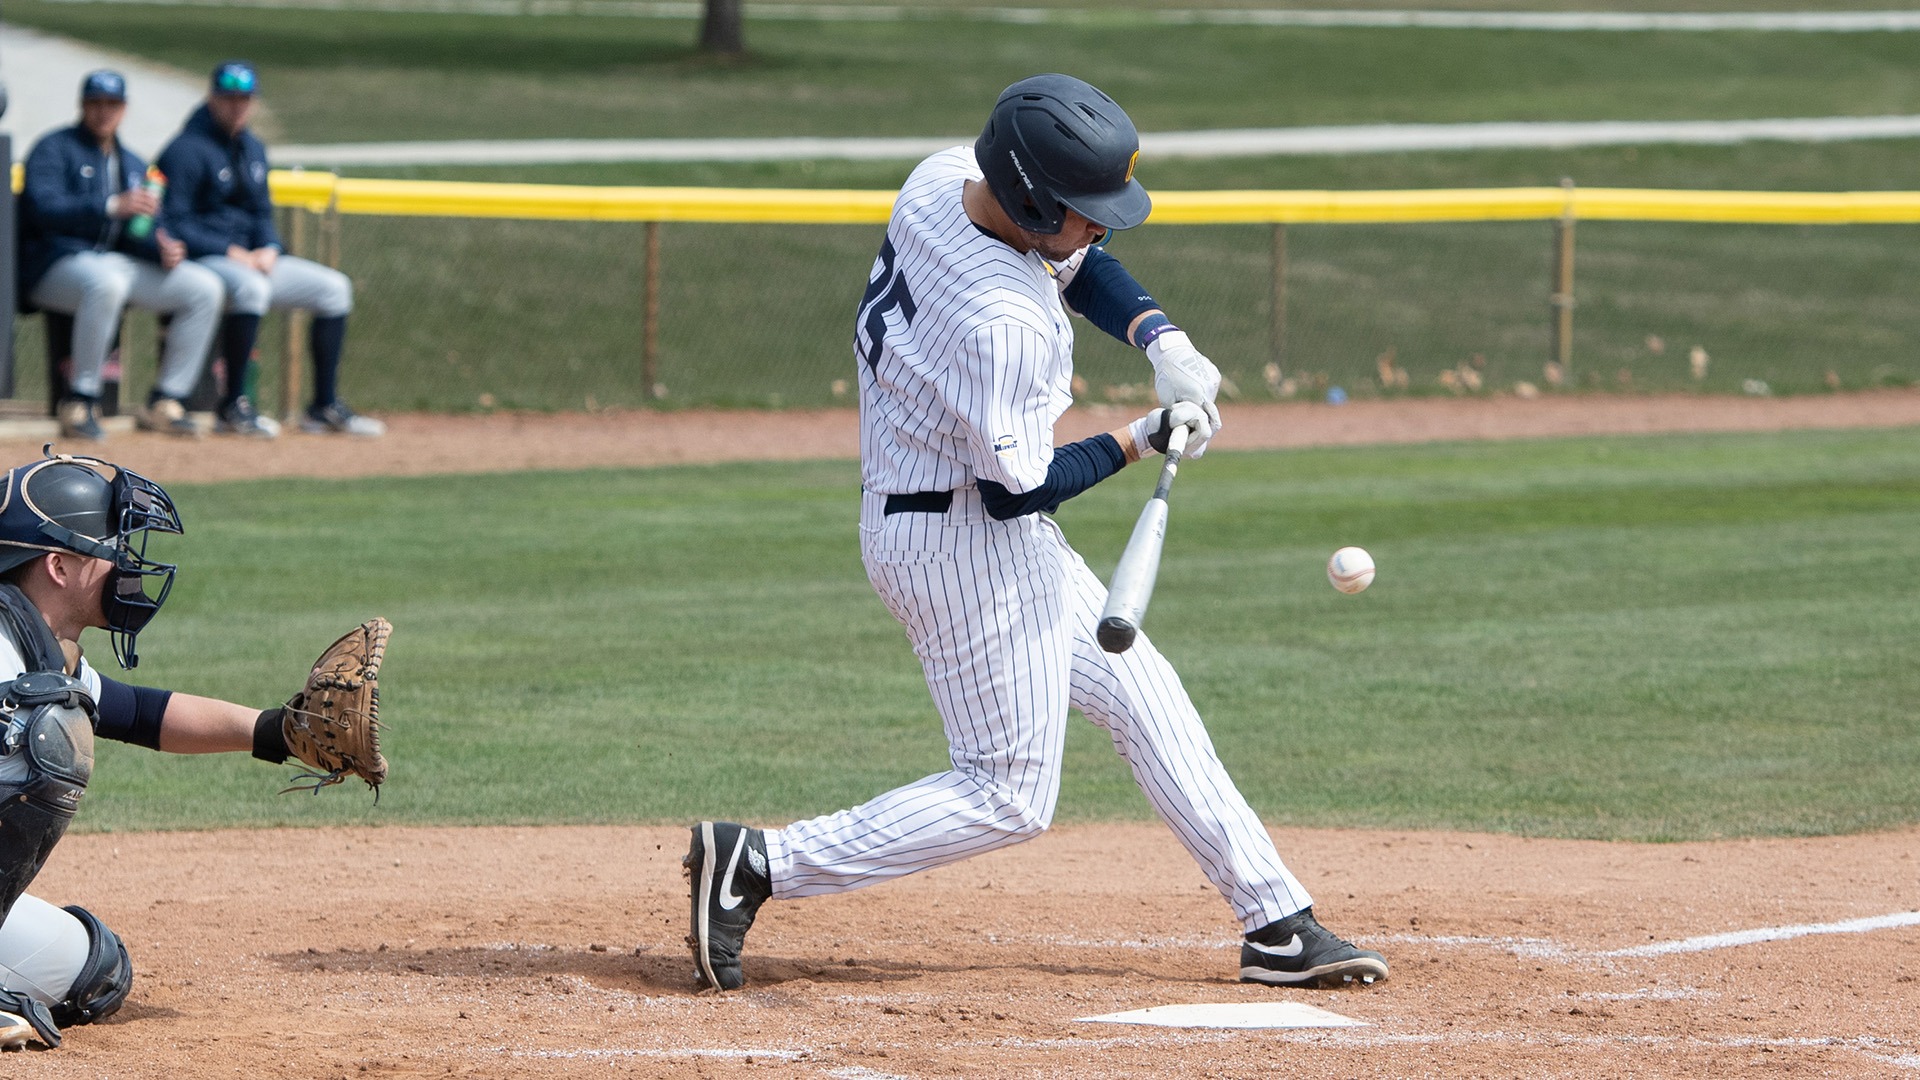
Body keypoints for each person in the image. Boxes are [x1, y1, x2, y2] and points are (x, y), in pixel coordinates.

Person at [686, 74, 1388, 994]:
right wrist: (1144, 437)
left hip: (951, 516)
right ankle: (761, 864)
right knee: (1008, 794)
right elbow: (1020, 492)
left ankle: (1276, 923)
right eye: (1085, 212)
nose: (1101, 228)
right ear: (1029, 201)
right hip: (957, 546)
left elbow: (1076, 261)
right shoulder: (999, 322)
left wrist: (1157, 336)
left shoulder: (942, 181)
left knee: (1146, 697)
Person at [0, 451, 380, 1050]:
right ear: (58, 566)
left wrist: (278, 730)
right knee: (40, 736)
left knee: (94, 971)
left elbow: (141, 713)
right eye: (109, 548)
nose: (125, 562)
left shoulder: (38, 649)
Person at [156, 61, 385, 439]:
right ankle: (234, 405)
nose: (237, 107)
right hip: (206, 260)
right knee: (251, 288)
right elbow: (174, 222)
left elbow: (262, 213)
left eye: (244, 99)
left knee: (334, 289)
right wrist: (232, 252)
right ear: (212, 99)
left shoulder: (253, 148)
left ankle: (323, 406)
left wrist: (271, 247)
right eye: (228, 98)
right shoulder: (186, 150)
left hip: (251, 259)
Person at [17, 71, 224, 442]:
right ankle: (80, 400)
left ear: (123, 109)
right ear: (82, 105)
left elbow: (139, 230)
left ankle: (165, 400)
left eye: (111, 104)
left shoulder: (132, 162)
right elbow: (41, 208)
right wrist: (111, 205)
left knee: (203, 287)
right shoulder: (54, 148)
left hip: (112, 266)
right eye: (96, 103)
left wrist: (162, 247)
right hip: (54, 264)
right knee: (105, 281)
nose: (103, 112)